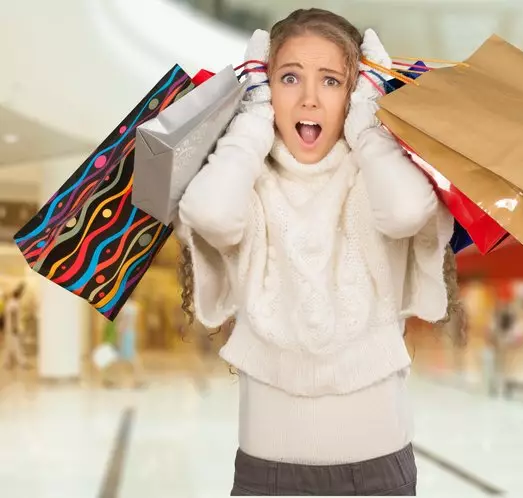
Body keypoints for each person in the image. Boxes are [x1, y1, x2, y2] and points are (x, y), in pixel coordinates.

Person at [175, 8, 458, 496]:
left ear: (354, 94)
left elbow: (409, 211)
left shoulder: (376, 171)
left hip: (378, 469)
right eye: (289, 78)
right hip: (267, 472)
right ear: (266, 90)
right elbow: (210, 214)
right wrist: (252, 118)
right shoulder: (246, 176)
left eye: (331, 81)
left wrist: (369, 124)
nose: (308, 97)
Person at [0, 284, 29, 370]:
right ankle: (22, 362)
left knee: (9, 345)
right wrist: (14, 327)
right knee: (16, 345)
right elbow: (13, 316)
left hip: (8, 328)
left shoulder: (10, 302)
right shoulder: (14, 304)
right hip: (12, 328)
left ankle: (7, 362)